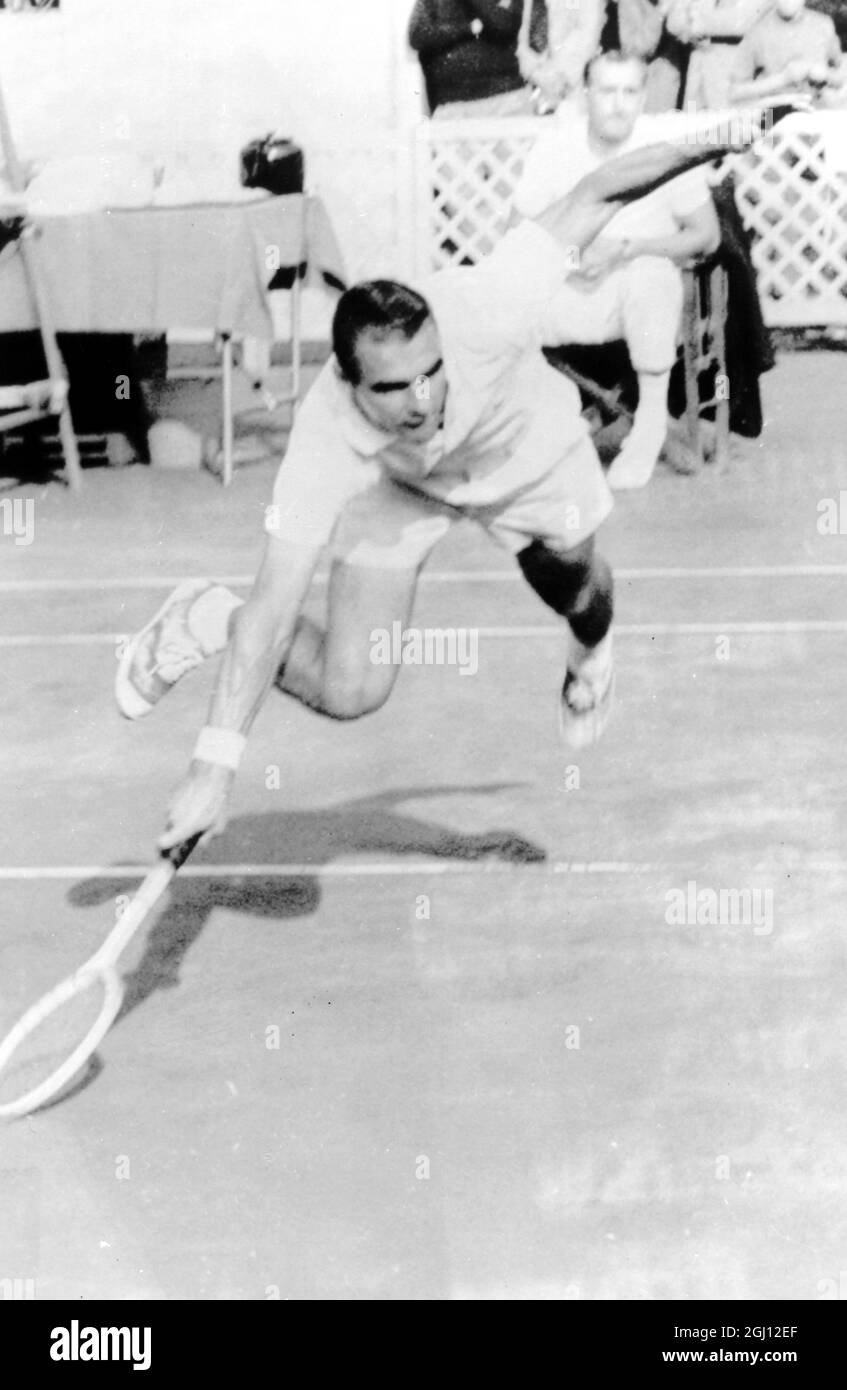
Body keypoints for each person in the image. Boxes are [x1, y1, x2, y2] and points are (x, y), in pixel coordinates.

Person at [115, 136, 751, 853]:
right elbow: (276, 601)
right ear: (347, 383)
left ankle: (589, 652)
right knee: (349, 689)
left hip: (524, 452)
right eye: (391, 387)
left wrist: (719, 135)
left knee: (574, 585)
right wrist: (214, 768)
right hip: (402, 485)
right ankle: (205, 615)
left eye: (429, 373)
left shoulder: (489, 302)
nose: (420, 400)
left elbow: (598, 191)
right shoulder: (323, 441)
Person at [513, 49, 721, 490]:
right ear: (586, 94)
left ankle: (647, 429)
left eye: (630, 91)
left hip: (641, 293)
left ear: (644, 96)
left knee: (649, 275)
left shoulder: (665, 149)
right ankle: (540, 432)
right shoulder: (557, 146)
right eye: (607, 90)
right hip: (572, 286)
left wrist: (628, 249)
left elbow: (707, 236)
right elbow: (518, 233)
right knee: (510, 297)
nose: (618, 103)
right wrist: (571, 258)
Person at [408, 0, 540, 116]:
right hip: (452, 104)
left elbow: (503, 23)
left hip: (505, 100)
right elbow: (417, 36)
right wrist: (469, 28)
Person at [730, 0, 846, 105]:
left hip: (817, 109)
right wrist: (783, 78)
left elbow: (840, 76)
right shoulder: (758, 32)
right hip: (775, 111)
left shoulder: (823, 24)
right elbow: (735, 92)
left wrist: (826, 75)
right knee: (758, 125)